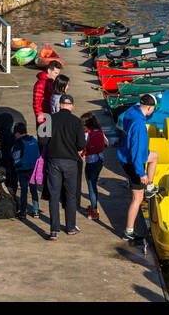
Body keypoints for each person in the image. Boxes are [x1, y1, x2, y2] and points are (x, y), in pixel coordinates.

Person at [44, 94, 87, 240]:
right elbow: (81, 145)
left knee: (54, 195)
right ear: (72, 106)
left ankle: (54, 230)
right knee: (70, 195)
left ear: (60, 105)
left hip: (53, 161)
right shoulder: (76, 122)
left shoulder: (50, 119)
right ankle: (70, 227)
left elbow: (42, 140)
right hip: (70, 162)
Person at [116, 94, 158, 241]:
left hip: (125, 154)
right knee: (137, 198)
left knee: (154, 156)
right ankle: (129, 231)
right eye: (153, 109)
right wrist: (141, 173)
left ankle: (150, 187)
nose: (153, 111)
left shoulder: (132, 111)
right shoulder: (139, 125)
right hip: (132, 162)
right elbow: (136, 151)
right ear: (149, 107)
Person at [81, 111, 108, 221]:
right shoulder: (100, 131)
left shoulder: (87, 133)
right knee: (93, 185)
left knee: (91, 187)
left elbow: (82, 147)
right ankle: (93, 206)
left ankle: (95, 210)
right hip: (100, 161)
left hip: (91, 162)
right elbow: (107, 143)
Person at [11, 122, 42, 218]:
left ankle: (23, 212)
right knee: (33, 189)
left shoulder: (19, 142)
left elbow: (15, 156)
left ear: (17, 133)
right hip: (34, 169)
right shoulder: (33, 140)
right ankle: (36, 210)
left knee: (24, 190)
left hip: (22, 169)